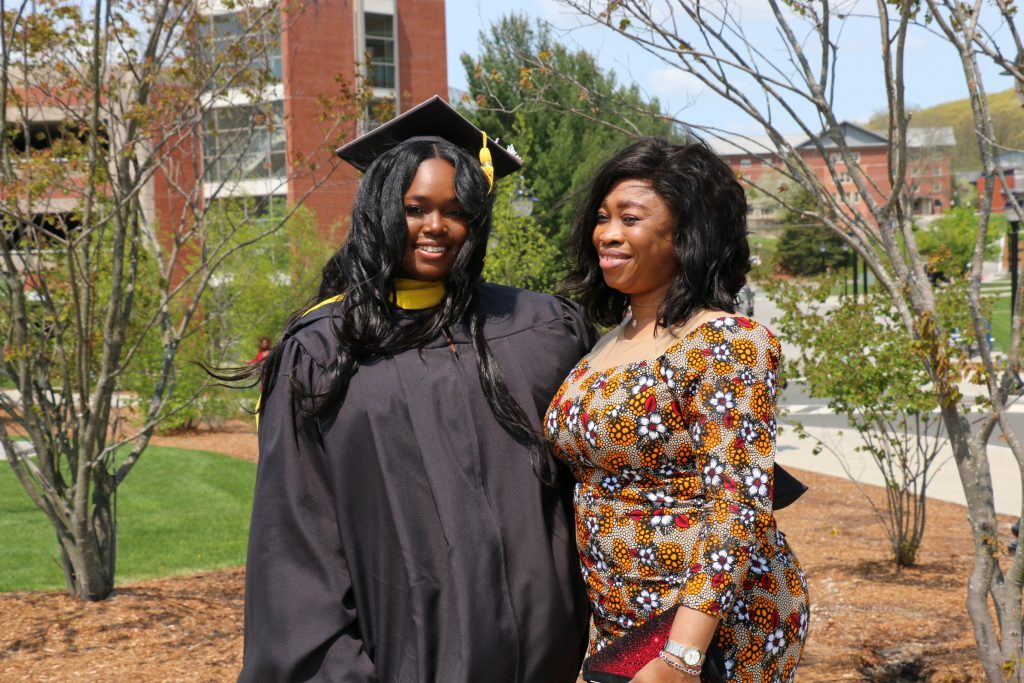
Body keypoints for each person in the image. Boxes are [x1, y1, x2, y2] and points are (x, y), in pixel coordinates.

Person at [238, 96, 593, 682]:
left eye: (456, 210)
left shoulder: (541, 327)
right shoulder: (327, 348)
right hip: (402, 664)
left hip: (548, 662)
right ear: (380, 212)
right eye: (415, 208)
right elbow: (296, 538)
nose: (436, 226)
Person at [545, 138, 809, 682]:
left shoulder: (725, 343)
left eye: (630, 218)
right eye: (603, 217)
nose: (607, 233)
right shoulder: (607, 342)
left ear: (687, 235)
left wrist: (682, 655)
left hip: (709, 627)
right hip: (624, 619)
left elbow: (739, 504)